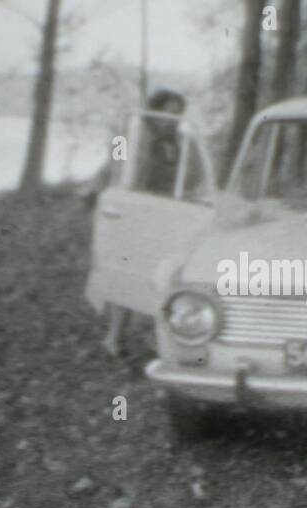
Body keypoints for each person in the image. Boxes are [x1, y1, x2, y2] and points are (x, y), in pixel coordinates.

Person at [97, 89, 187, 358]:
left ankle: (155, 335)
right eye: (169, 115)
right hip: (133, 214)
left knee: (160, 275)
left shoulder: (175, 143)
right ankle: (114, 337)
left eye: (178, 116)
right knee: (125, 274)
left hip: (163, 216)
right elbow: (115, 167)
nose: (174, 122)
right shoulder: (133, 138)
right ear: (155, 113)